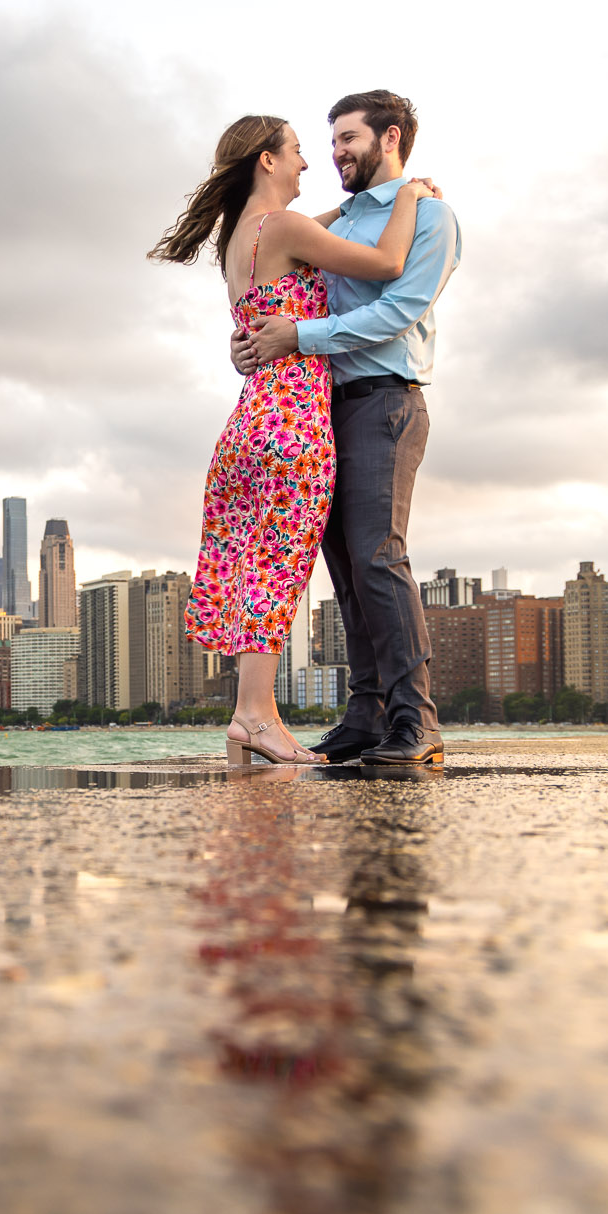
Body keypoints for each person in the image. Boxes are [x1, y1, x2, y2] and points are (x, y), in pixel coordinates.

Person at [150, 114, 435, 766]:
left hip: (250, 419)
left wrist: (352, 205)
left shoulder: (240, 237)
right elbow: (388, 262)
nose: (308, 163)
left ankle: (254, 714)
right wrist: (411, 197)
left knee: (255, 568)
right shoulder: (283, 228)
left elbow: (308, 240)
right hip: (294, 422)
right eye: (299, 152)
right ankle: (255, 715)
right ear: (267, 161)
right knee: (280, 574)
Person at [232, 90, 461, 767]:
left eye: (348, 139)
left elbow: (400, 307)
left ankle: (415, 720)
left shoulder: (430, 214)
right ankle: (366, 716)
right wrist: (249, 344)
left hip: (385, 401)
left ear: (390, 138)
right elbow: (274, 291)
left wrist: (299, 337)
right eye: (329, 142)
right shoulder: (331, 223)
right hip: (319, 410)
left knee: (377, 557)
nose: (335, 153)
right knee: (345, 569)